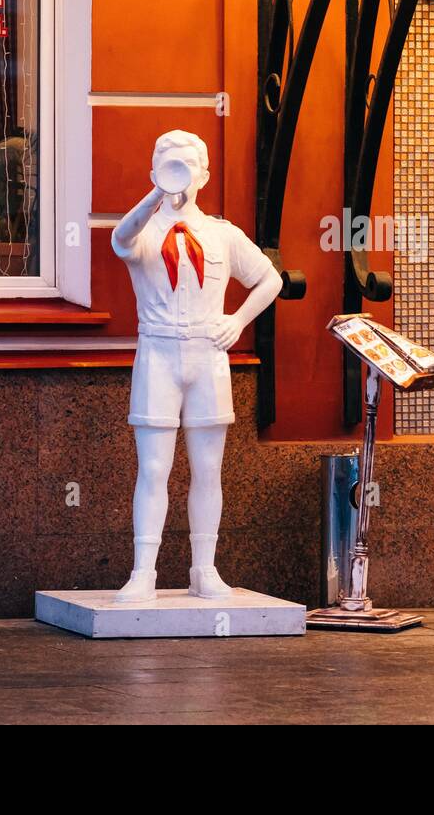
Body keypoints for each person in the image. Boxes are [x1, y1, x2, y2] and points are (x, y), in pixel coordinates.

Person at [111, 130, 282, 602]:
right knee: (153, 468)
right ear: (153, 173)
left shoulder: (223, 234)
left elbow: (271, 278)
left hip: (208, 356)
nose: (180, 173)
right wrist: (156, 196)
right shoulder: (143, 229)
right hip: (159, 355)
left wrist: (238, 320)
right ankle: (143, 570)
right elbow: (120, 239)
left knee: (208, 470)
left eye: (188, 165)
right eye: (168, 164)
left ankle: (204, 568)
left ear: (205, 174)